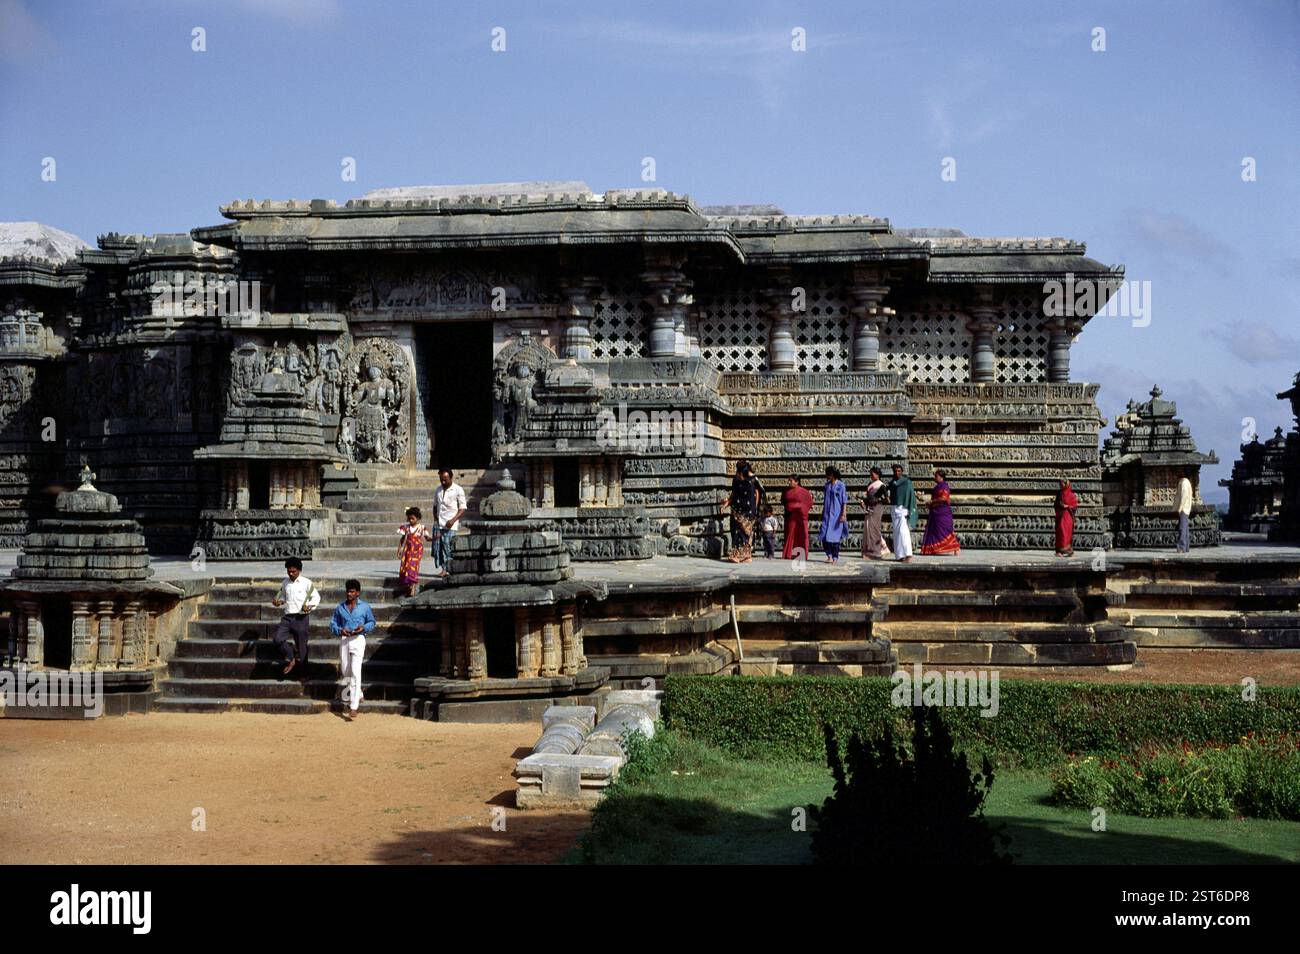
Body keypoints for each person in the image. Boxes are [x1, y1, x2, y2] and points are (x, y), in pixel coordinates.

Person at [330, 579, 376, 721]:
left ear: (357, 593)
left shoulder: (365, 607)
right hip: (345, 639)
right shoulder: (340, 608)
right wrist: (340, 630)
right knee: (345, 670)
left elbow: (372, 622)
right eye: (348, 591)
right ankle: (359, 693)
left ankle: (353, 706)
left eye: (352, 591)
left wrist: (364, 628)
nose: (349, 594)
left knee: (356, 671)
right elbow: (333, 623)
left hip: (358, 639)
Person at [271, 557, 321, 676]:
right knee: (277, 639)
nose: (291, 573)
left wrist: (309, 606)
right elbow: (283, 596)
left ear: (299, 570)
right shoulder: (285, 582)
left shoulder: (306, 583)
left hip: (301, 618)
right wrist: (279, 602)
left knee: (302, 646)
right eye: (289, 571)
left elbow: (316, 597)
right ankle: (291, 658)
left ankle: (304, 674)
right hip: (287, 617)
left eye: (293, 571)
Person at [719, 460, 759, 563]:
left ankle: (742, 555)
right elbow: (733, 494)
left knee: (744, 534)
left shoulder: (753, 480)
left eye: (738, 472)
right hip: (738, 509)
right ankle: (743, 555)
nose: (737, 474)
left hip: (747, 511)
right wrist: (727, 503)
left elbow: (757, 494)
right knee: (738, 533)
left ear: (741, 472)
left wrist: (755, 507)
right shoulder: (736, 480)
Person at [432, 468, 467, 577]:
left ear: (451, 478)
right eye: (441, 480)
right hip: (439, 523)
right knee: (439, 547)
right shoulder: (438, 490)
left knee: (448, 547)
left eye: (445, 480)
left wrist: (452, 520)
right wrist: (436, 520)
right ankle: (444, 569)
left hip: (451, 524)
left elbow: (462, 508)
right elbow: (435, 506)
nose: (443, 482)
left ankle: (451, 568)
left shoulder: (458, 490)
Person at [920, 469, 961, 556]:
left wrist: (932, 502)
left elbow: (943, 498)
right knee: (935, 531)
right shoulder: (936, 487)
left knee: (945, 530)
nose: (935, 478)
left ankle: (955, 547)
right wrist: (931, 504)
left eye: (936, 476)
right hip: (935, 512)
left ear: (941, 477)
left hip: (943, 512)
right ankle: (933, 548)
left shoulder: (944, 486)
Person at [397, 506, 432, 597]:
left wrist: (435, 539)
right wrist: (399, 549)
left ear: (418, 518)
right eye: (409, 519)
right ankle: (408, 585)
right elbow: (402, 539)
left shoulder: (422, 528)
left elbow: (427, 538)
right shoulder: (406, 528)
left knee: (413, 568)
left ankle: (412, 588)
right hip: (407, 551)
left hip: (416, 551)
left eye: (412, 518)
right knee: (405, 568)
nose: (411, 520)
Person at [889, 464, 919, 562]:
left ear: (902, 472)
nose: (897, 473)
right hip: (894, 508)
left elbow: (911, 496)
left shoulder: (907, 482)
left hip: (903, 508)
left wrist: (910, 508)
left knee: (903, 532)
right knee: (896, 533)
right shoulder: (892, 483)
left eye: (898, 471)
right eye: (895, 471)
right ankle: (900, 555)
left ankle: (908, 554)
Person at [859, 466, 890, 559]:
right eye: (870, 474)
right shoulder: (870, 485)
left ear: (878, 474)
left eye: (872, 474)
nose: (871, 476)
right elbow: (868, 497)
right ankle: (869, 550)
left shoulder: (881, 485)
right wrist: (863, 502)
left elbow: (887, 499)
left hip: (877, 508)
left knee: (874, 529)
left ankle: (875, 551)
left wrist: (877, 500)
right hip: (869, 508)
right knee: (868, 528)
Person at [819, 466, 849, 563]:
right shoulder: (827, 485)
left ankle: (835, 557)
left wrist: (843, 514)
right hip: (827, 514)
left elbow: (844, 500)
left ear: (832, 475)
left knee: (835, 537)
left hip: (837, 514)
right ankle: (829, 555)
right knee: (823, 535)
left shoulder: (841, 485)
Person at [782, 475, 812, 560]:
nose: (789, 482)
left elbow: (809, 502)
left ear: (797, 482)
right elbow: (784, 502)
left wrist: (799, 507)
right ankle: (790, 553)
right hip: (791, 516)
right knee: (791, 534)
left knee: (802, 535)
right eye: (789, 480)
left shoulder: (804, 492)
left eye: (791, 481)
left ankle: (801, 553)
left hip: (801, 516)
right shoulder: (786, 491)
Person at [1054, 478, 1079, 557]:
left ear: (1066, 484)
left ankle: (1069, 551)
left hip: (1068, 517)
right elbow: (1056, 504)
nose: (1061, 486)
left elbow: (1074, 506)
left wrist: (1067, 506)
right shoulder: (1059, 494)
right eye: (1060, 485)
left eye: (1062, 484)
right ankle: (1059, 551)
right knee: (1061, 532)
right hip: (1061, 516)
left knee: (1068, 533)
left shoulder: (1072, 495)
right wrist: (1060, 504)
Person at [1176, 473, 1194, 553]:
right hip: (1187, 508)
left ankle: (1181, 547)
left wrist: (1180, 508)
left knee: (1182, 528)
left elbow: (1184, 496)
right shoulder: (1187, 482)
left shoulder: (1183, 483)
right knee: (1185, 529)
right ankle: (1186, 547)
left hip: (1184, 508)